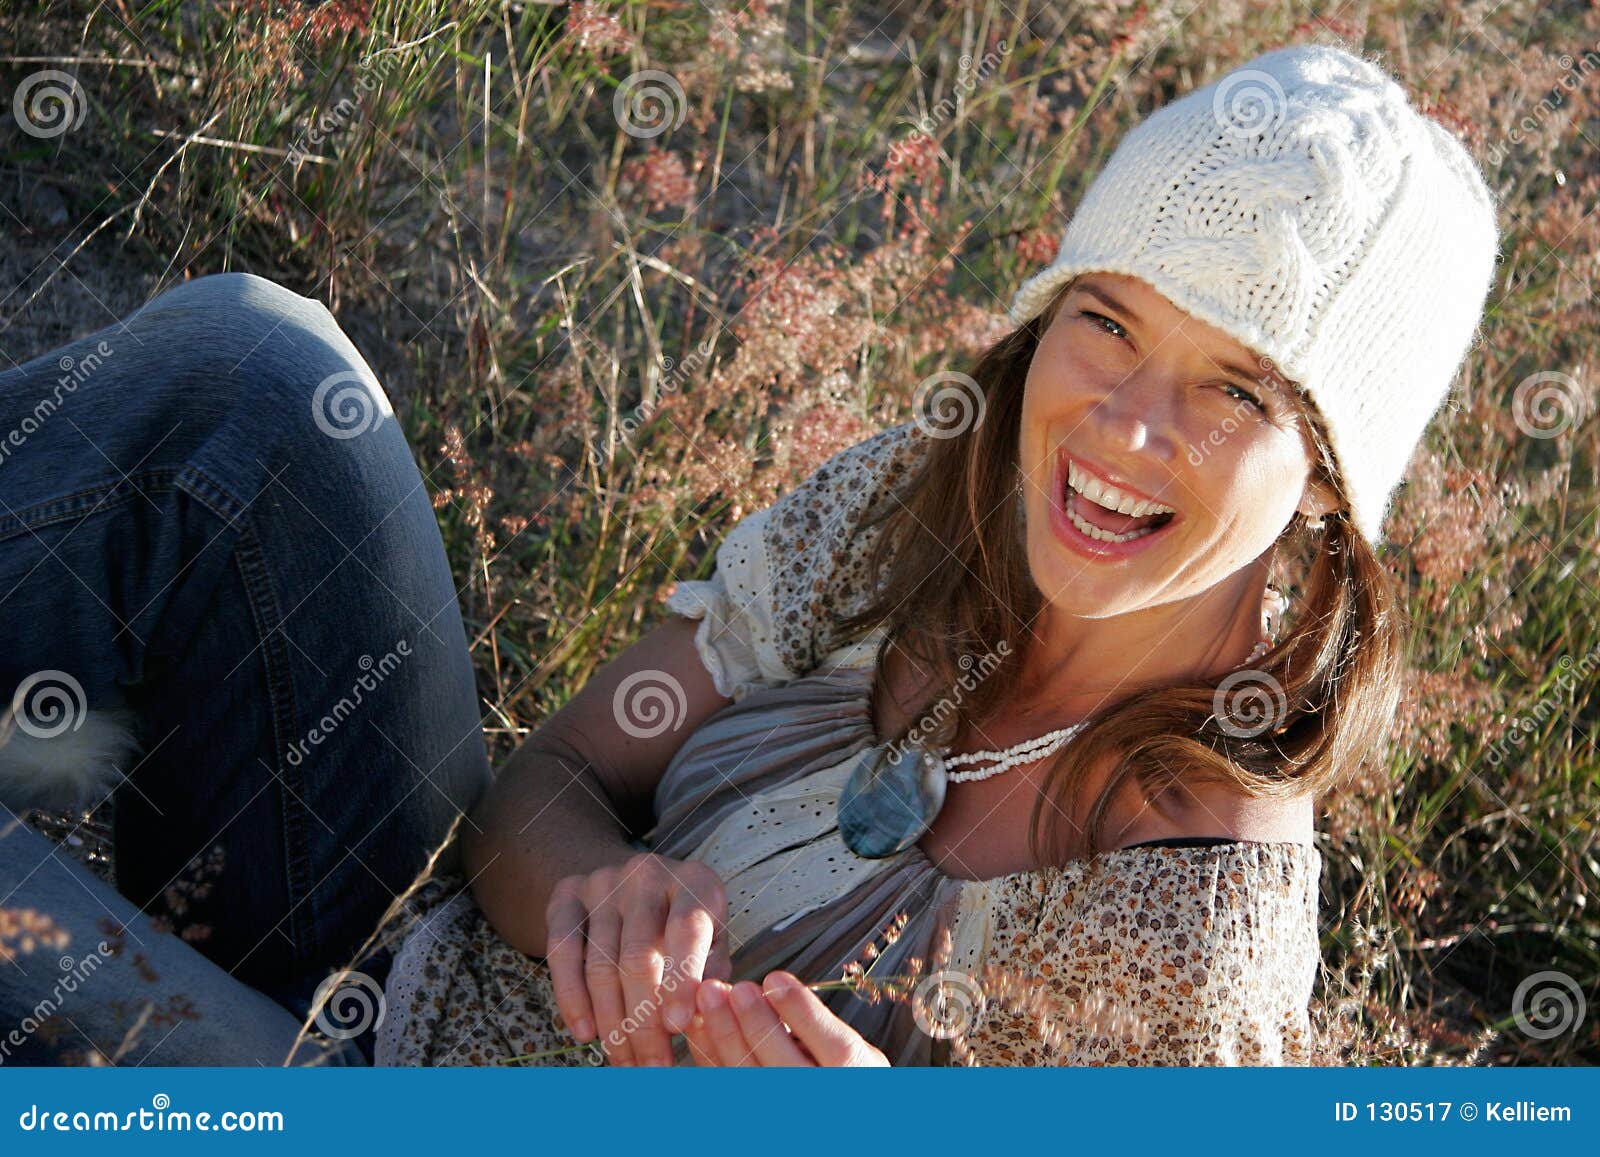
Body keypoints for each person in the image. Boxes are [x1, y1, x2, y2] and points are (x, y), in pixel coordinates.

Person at [0, 41, 1498, 1067]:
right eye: (1107, 320)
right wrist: (592, 888)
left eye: (1235, 387)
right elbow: (546, 784)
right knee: (255, 372)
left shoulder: (1200, 936)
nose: (1124, 426)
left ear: (1329, 483)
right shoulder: (926, 503)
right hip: (394, 978)